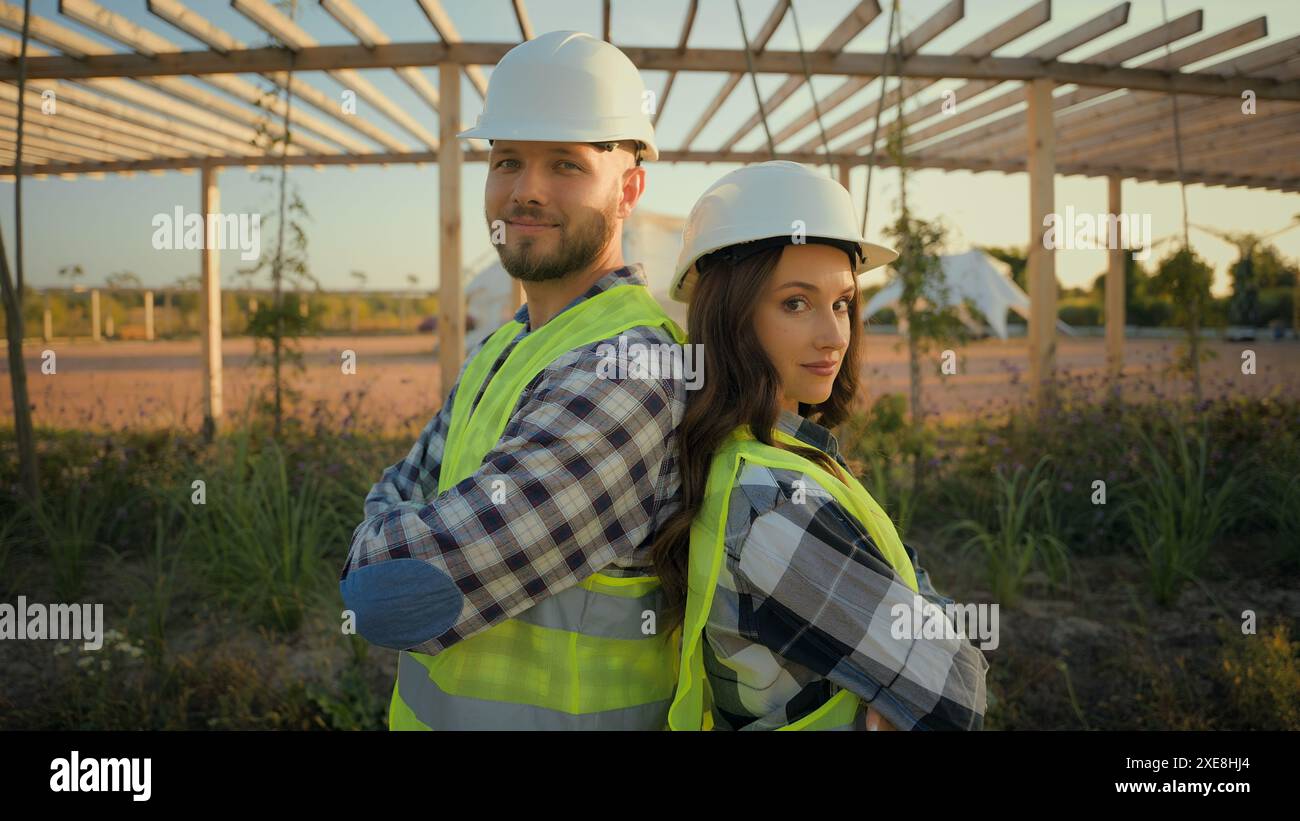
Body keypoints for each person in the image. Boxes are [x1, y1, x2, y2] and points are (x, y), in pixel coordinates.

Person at [339, 31, 688, 730]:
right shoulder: (503, 347)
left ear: (629, 189)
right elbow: (398, 496)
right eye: (507, 161)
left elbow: (385, 591)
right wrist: (396, 529)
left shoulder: (631, 368)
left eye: (565, 164)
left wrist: (390, 534)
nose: (526, 191)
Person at [651, 161, 989, 731]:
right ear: (731, 319)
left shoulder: (763, 458)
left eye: (841, 304)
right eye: (795, 303)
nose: (833, 335)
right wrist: (939, 632)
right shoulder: (770, 503)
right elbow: (956, 694)